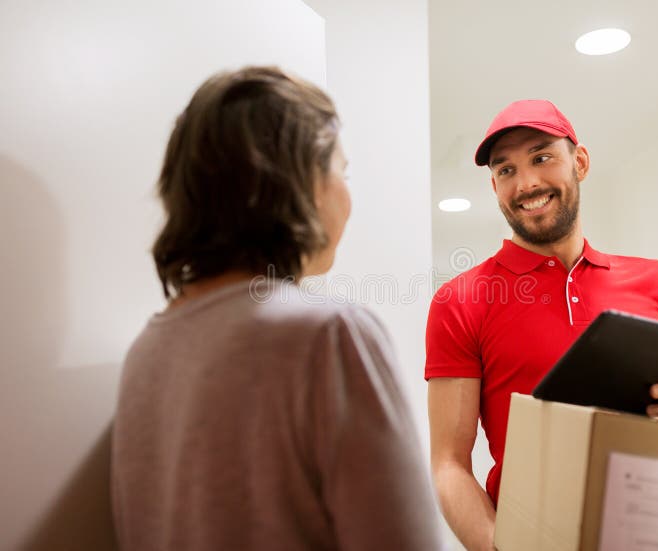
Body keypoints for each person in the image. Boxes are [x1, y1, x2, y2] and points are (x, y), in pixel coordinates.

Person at [111, 66, 442, 551]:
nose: (348, 196)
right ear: (301, 180)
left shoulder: (146, 351)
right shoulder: (329, 336)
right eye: (342, 172)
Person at [425, 99, 658, 551]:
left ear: (579, 162)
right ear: (495, 185)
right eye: (506, 170)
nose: (526, 182)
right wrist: (496, 546)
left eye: (542, 157)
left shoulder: (656, 280)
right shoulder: (461, 299)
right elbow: (449, 463)